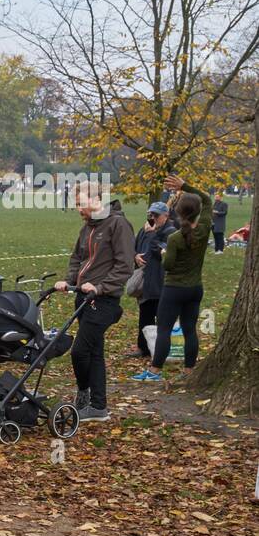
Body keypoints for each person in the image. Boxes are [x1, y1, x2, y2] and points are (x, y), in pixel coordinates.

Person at [53, 182, 134, 422]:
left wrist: (100, 287)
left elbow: (125, 265)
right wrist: (68, 281)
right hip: (83, 297)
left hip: (104, 300)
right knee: (95, 352)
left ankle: (84, 395)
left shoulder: (118, 225)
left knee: (80, 351)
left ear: (97, 199)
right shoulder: (88, 227)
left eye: (81, 203)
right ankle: (98, 406)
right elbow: (77, 258)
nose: (78, 208)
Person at [140, 176, 211, 381]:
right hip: (195, 288)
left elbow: (168, 266)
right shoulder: (204, 229)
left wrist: (163, 254)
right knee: (190, 330)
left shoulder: (174, 238)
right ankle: (189, 370)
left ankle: (155, 371)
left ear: (177, 213)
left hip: (173, 289)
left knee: (164, 329)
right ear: (197, 213)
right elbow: (207, 200)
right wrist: (184, 186)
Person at [129, 202, 175, 371]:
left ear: (166, 215)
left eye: (156, 215)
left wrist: (153, 234)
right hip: (145, 279)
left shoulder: (170, 232)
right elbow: (133, 247)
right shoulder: (144, 230)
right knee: (144, 314)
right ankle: (143, 347)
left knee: (161, 317)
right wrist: (135, 257)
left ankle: (162, 350)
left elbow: (159, 252)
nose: (153, 218)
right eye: (151, 215)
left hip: (160, 280)